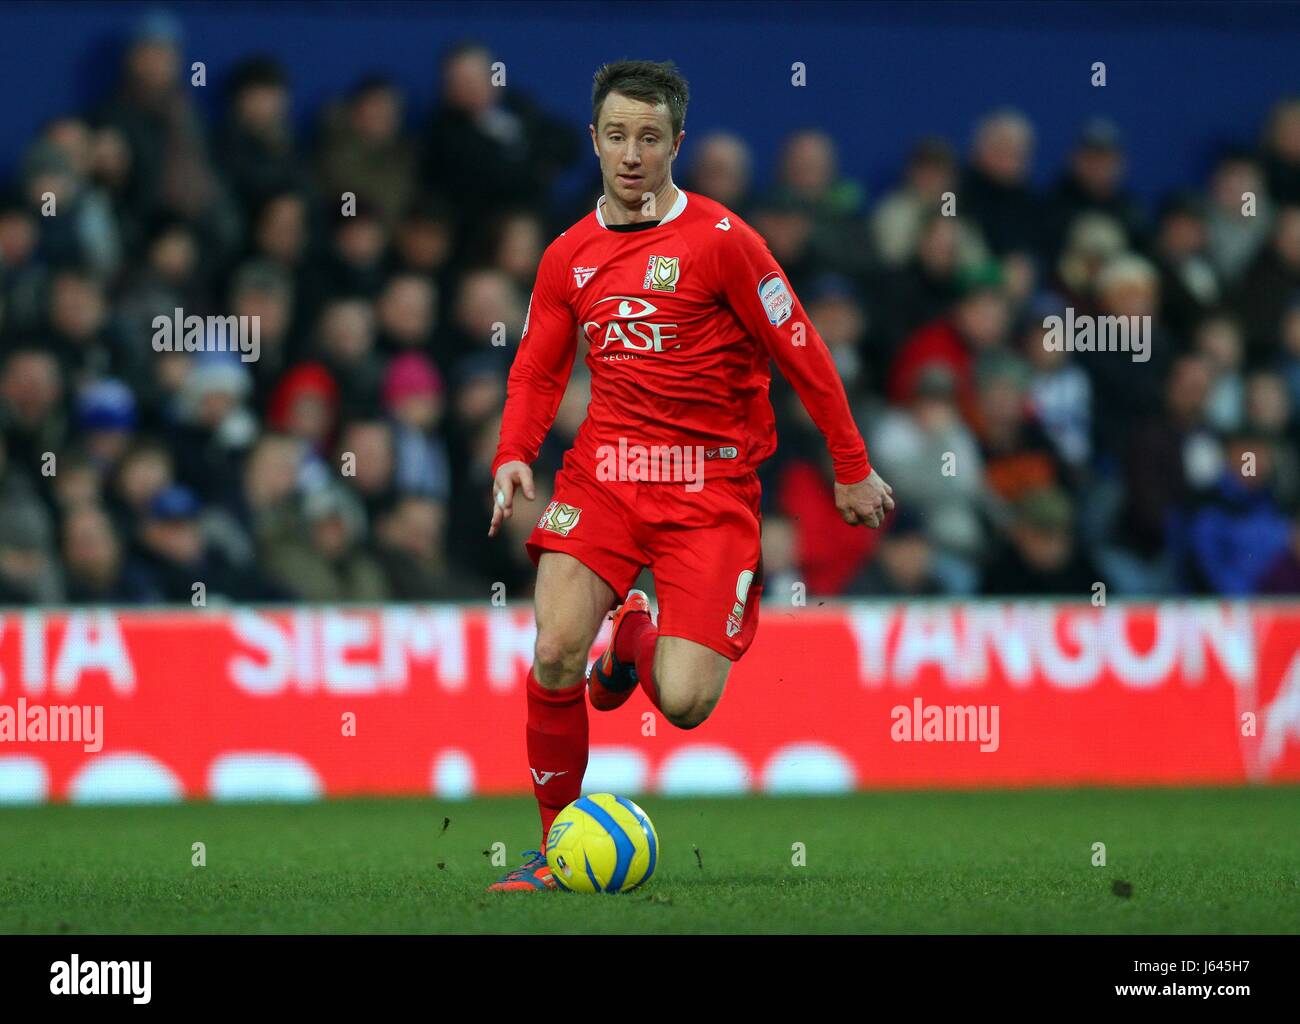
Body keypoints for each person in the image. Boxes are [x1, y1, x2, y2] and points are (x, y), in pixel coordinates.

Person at [485, 60, 893, 891]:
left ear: (676, 143)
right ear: (593, 140)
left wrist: (851, 466)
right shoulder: (569, 255)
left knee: (684, 703)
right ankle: (552, 852)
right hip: (606, 474)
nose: (631, 154)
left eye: (649, 138)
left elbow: (802, 348)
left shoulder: (724, 244)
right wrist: (513, 452)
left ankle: (634, 637)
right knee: (555, 649)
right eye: (615, 136)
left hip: (709, 493)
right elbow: (535, 370)